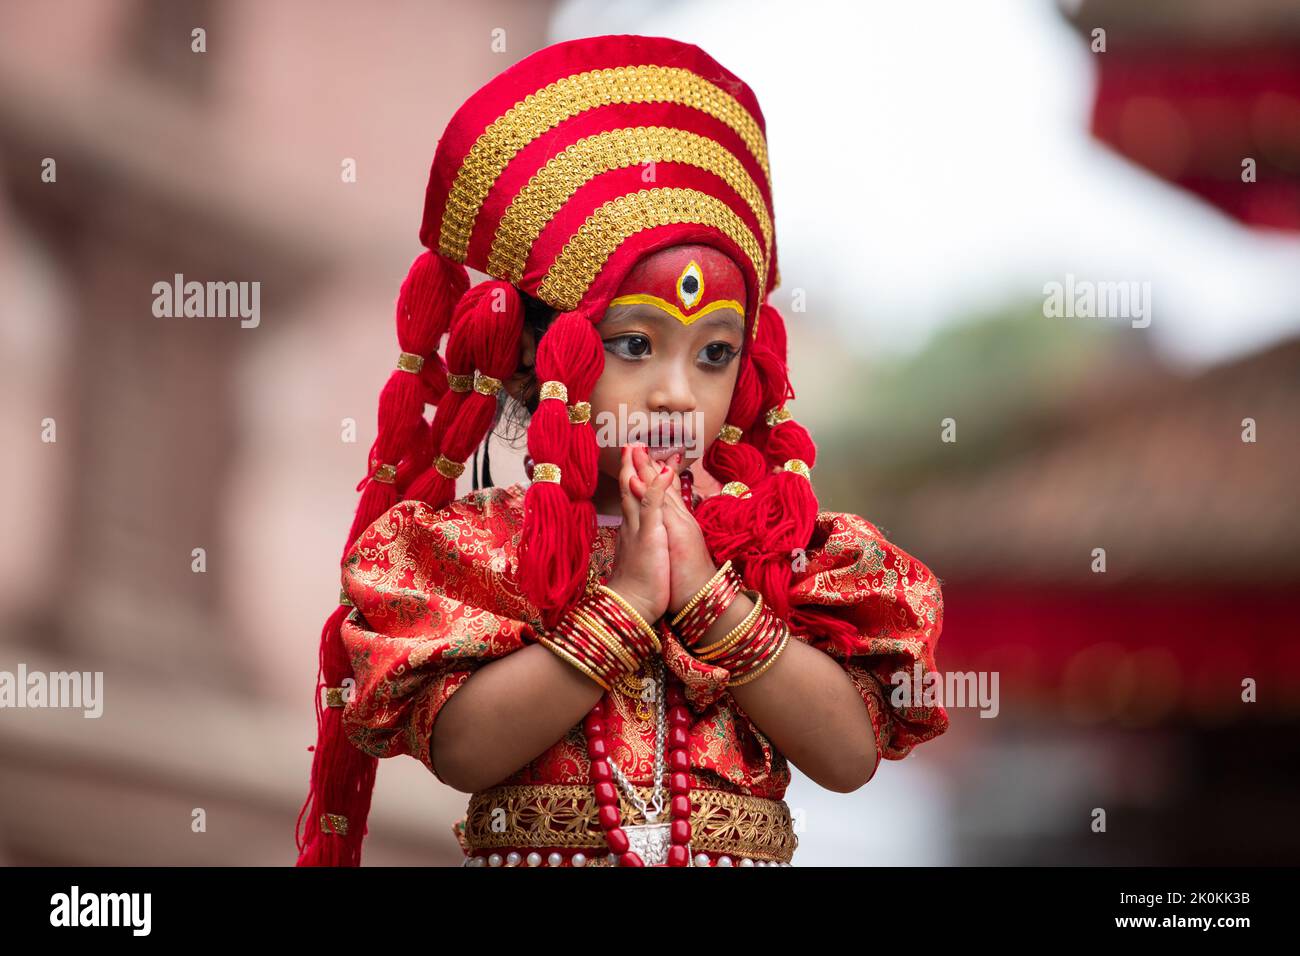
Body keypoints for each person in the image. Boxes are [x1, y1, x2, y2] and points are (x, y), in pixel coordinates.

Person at [294, 33, 948, 868]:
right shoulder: (484, 554)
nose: (678, 393)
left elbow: (848, 757)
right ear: (542, 358)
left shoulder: (775, 560)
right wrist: (629, 601)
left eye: (714, 354)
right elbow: (463, 750)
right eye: (635, 346)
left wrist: (715, 599)